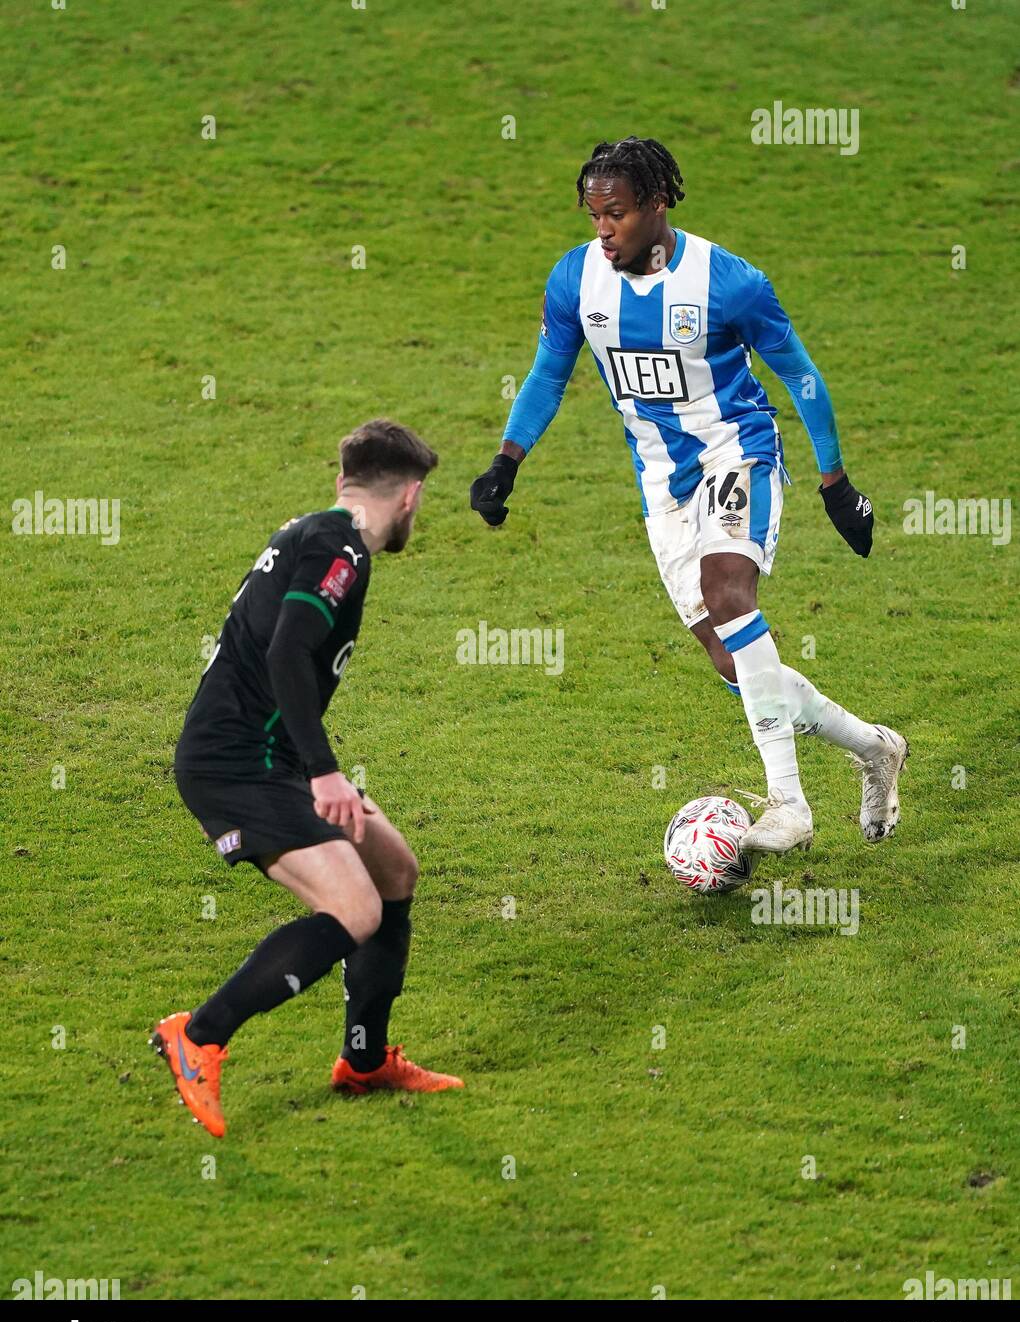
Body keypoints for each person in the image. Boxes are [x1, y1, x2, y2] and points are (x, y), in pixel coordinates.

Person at [470, 137, 907, 855]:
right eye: (593, 216)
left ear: (656, 205)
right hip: (661, 486)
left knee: (731, 594)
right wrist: (506, 462)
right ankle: (874, 748)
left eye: (615, 214)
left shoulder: (726, 283)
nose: (602, 230)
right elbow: (549, 375)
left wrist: (836, 485)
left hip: (738, 452)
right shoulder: (577, 280)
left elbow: (800, 375)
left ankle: (789, 806)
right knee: (737, 662)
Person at [154, 419, 462, 1138]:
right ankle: (199, 1035)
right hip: (237, 766)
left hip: (269, 756)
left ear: (342, 482)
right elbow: (288, 652)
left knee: (393, 871)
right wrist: (326, 774)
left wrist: (309, 764)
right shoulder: (342, 547)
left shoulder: (316, 530)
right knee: (354, 910)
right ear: (412, 497)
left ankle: (365, 1062)